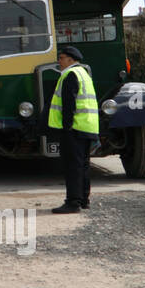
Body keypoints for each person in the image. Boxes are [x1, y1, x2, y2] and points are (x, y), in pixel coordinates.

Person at [46, 45, 99, 213]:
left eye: (61, 58)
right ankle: (84, 199)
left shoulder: (70, 75)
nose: (59, 61)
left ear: (70, 59)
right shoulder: (84, 74)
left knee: (72, 166)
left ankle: (73, 202)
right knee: (83, 165)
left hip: (74, 128)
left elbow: (70, 104)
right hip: (87, 126)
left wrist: (66, 126)